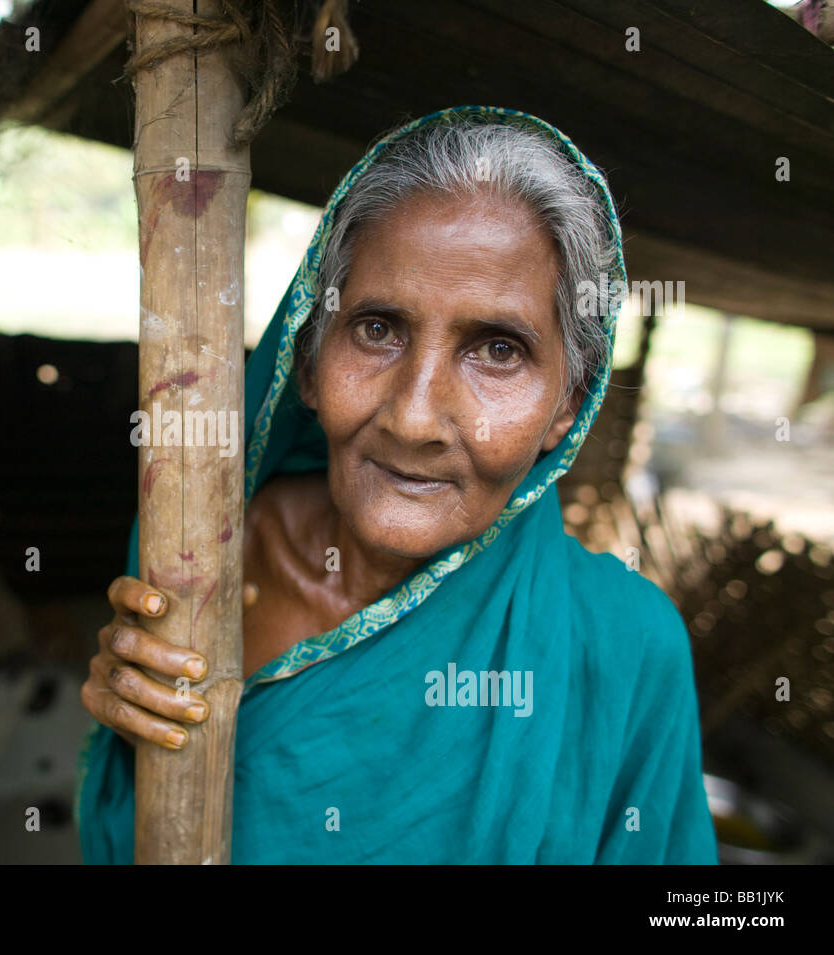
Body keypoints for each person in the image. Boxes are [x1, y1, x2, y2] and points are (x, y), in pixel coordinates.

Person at [75, 105, 719, 864]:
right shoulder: (197, 548)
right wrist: (131, 732)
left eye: (499, 351)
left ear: (566, 408)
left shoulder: (623, 645)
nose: (414, 417)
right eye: (377, 328)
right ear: (308, 360)